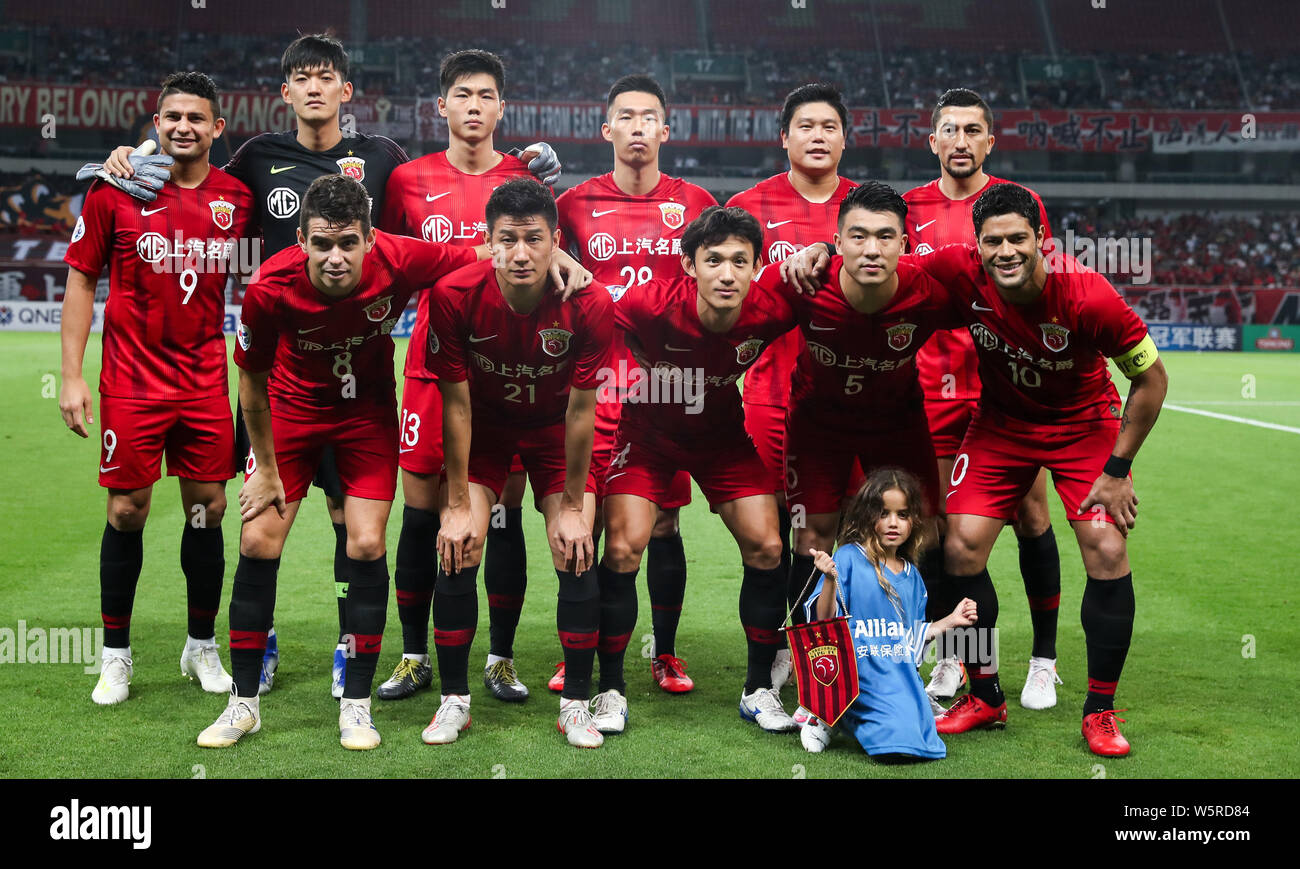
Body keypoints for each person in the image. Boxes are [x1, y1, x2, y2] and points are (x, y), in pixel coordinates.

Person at [98, 34, 564, 700]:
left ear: (347, 92)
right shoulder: (253, 158)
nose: (313, 88)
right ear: (284, 91)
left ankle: (358, 645)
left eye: (326, 78)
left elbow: (459, 221)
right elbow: (191, 177)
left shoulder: (387, 163)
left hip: (363, 388)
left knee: (357, 529)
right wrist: (124, 160)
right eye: (300, 78)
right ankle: (257, 643)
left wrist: (524, 170)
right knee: (262, 523)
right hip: (279, 379)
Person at [783, 182, 1168, 756]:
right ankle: (985, 694)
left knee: (1107, 550)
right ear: (977, 246)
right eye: (993, 242)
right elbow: (876, 254)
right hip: (1001, 424)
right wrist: (817, 250)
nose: (1006, 252)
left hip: (1084, 425)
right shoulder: (958, 271)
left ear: (1043, 240)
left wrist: (1117, 468)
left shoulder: (1088, 295)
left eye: (1018, 239)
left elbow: (1152, 379)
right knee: (958, 546)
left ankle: (1100, 711)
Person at [60, 71, 254, 705]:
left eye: (196, 118)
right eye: (171, 116)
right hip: (131, 381)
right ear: (155, 124)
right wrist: (69, 377)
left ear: (216, 128)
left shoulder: (238, 197)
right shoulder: (113, 191)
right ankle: (115, 656)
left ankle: (201, 644)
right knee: (126, 511)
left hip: (202, 381)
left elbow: (260, 280)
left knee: (209, 509)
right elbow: (83, 282)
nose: (182, 127)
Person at [377, 49, 548, 705]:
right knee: (422, 519)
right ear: (440, 106)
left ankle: (500, 658)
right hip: (428, 368)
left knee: (501, 517)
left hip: (503, 375)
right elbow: (388, 267)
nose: (474, 106)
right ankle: (416, 654)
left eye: (486, 95)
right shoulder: (408, 180)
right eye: (462, 95)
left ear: (502, 108)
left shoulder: (526, 182)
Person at [420, 179, 612, 748]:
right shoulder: (454, 294)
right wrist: (456, 505)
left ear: (556, 241)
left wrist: (575, 507)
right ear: (488, 240)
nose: (521, 253)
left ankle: (576, 704)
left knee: (575, 549)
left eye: (534, 239)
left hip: (555, 432)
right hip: (483, 429)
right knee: (458, 546)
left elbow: (582, 412)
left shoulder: (589, 303)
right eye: (508, 239)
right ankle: (454, 702)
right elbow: (455, 406)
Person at [593, 206, 795, 735]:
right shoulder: (648, 304)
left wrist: (822, 252)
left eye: (739, 261)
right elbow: (589, 317)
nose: (727, 273)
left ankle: (758, 689)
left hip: (722, 439)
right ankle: (610, 688)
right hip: (648, 436)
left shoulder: (771, 308)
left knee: (769, 546)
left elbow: (836, 290)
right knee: (621, 547)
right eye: (713, 261)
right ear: (689, 265)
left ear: (757, 266)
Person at [554, 74, 717, 695]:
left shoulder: (697, 203)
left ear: (666, 131)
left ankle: (666, 652)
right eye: (627, 116)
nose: (639, 126)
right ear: (608, 130)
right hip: (594, 387)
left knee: (666, 524)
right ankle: (579, 652)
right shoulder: (573, 205)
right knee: (587, 522)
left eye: (650, 117)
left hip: (664, 391)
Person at [904, 88, 1063, 710]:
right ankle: (955, 660)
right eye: (951, 130)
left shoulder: (1017, 207)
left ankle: (1044, 660)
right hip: (932, 391)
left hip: (1006, 392)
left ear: (990, 142)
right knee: (946, 531)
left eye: (974, 130)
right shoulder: (909, 209)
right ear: (934, 141)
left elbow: (1039, 285)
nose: (962, 140)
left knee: (1031, 519)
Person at [724, 83, 858, 701]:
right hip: (772, 393)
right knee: (777, 529)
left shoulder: (869, 208)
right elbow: (728, 292)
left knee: (838, 533)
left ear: (843, 138)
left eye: (829, 126)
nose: (818, 136)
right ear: (784, 137)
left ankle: (832, 651)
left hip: (850, 401)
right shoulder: (750, 207)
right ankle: (777, 648)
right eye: (805, 125)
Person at [801, 468, 977, 759]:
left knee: (917, 740)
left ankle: (899, 707)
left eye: (903, 515)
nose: (893, 523)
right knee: (890, 745)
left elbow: (910, 640)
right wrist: (830, 578)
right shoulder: (848, 557)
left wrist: (952, 620)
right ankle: (828, 713)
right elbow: (824, 623)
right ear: (868, 516)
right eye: (883, 513)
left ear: (914, 521)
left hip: (894, 674)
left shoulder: (913, 578)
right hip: (854, 677)